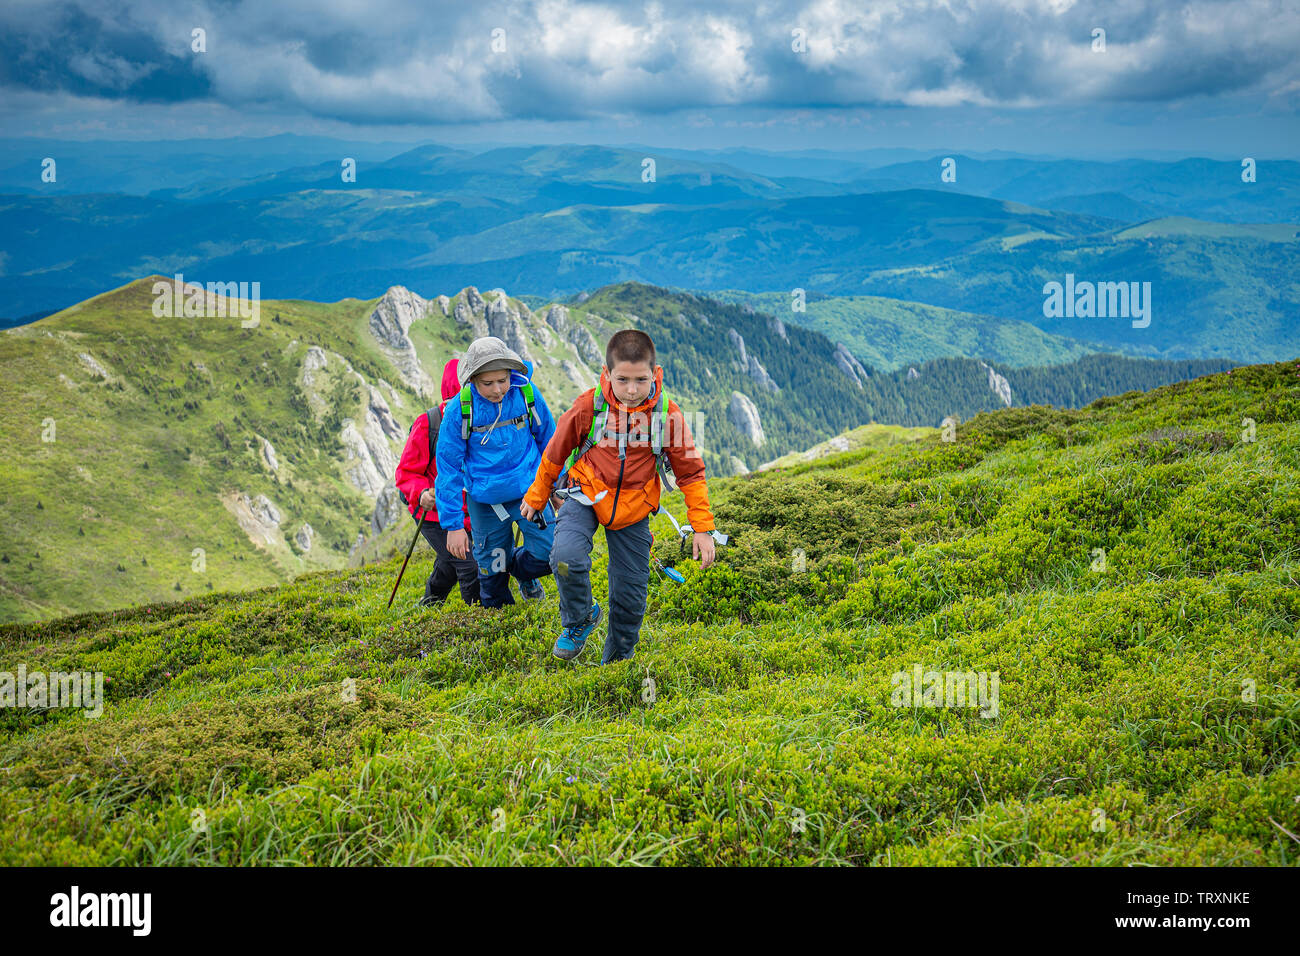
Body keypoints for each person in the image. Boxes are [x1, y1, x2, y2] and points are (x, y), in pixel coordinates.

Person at [520, 329, 718, 663]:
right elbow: (555, 452)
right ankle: (580, 618)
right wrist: (538, 495)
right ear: (607, 373)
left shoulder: (667, 415)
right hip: (585, 494)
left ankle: (616, 662)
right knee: (565, 557)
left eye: (640, 380)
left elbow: (690, 472)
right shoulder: (588, 406)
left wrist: (702, 528)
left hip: (634, 507)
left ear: (656, 374)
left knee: (630, 594)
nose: (630, 390)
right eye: (622, 379)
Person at [434, 336, 559, 607]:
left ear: (511, 372)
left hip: (530, 490)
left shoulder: (526, 394)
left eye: (502, 380)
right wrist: (454, 526)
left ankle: (520, 572)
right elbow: (448, 469)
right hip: (485, 501)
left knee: (550, 553)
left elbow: (550, 442)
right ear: (473, 379)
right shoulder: (459, 410)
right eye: (487, 383)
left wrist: (557, 487)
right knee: (492, 567)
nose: (497, 390)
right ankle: (499, 619)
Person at [394, 358, 480, 608]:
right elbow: (406, 473)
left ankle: (429, 604)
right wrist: (421, 493)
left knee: (450, 562)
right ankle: (478, 622)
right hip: (434, 514)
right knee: (468, 564)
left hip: (471, 514)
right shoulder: (428, 423)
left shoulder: (484, 421)